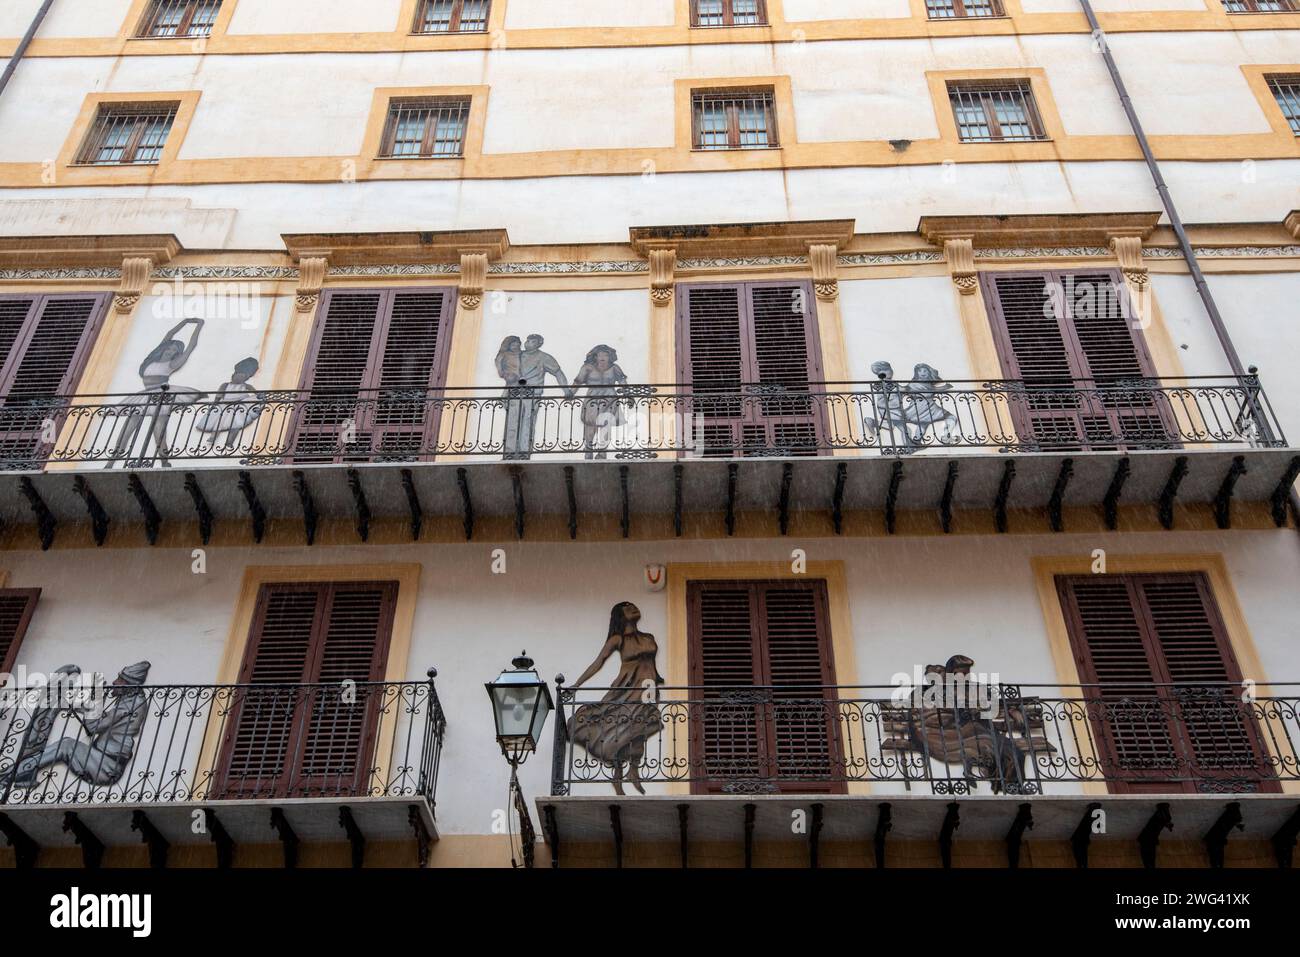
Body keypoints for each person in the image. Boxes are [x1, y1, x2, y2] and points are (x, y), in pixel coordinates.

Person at [567, 602, 664, 795]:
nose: (634, 608)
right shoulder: (617, 639)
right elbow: (598, 662)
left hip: (648, 688)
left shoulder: (648, 637)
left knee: (641, 729)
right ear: (620, 616)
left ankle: (633, 772)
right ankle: (618, 774)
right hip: (627, 689)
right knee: (624, 730)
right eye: (628, 608)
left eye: (635, 606)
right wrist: (577, 684)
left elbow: (651, 664)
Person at [11, 661, 152, 789]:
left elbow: (93, 727)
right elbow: (107, 720)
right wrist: (85, 707)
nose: (114, 682)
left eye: (120, 680)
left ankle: (16, 772)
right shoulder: (129, 701)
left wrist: (95, 700)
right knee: (66, 744)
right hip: (101, 760)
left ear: (129, 685)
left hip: (106, 766)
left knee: (66, 745)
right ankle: (18, 772)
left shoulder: (129, 705)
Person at [105, 317, 208, 468]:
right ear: (164, 348)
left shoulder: (172, 364)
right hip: (144, 395)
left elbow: (191, 346)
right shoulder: (151, 360)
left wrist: (199, 325)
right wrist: (184, 322)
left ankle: (164, 460)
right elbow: (168, 335)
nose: (171, 351)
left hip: (161, 393)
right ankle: (111, 462)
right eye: (169, 348)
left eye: (174, 350)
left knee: (159, 428)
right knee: (128, 427)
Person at [498, 333, 569, 459]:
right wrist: (505, 392)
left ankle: (524, 453)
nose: (528, 343)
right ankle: (509, 453)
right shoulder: (518, 355)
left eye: (532, 341)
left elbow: (558, 373)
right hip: (514, 392)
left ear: (538, 344)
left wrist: (566, 390)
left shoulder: (544, 357)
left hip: (532, 393)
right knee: (512, 423)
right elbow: (508, 373)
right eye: (528, 340)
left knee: (527, 423)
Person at [571, 344, 628, 459]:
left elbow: (623, 382)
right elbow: (578, 381)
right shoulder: (587, 367)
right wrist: (570, 394)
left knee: (606, 425)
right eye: (600, 355)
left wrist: (629, 396)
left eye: (605, 355)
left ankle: (602, 452)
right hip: (593, 398)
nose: (602, 357)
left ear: (610, 357)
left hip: (609, 399)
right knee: (590, 425)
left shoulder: (615, 368)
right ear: (595, 356)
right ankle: (588, 450)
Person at [194, 357, 262, 452]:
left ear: (247, 377)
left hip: (239, 407)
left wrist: (260, 397)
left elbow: (257, 394)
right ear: (233, 375)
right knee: (218, 423)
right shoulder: (225, 385)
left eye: (244, 376)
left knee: (237, 425)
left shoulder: (246, 386)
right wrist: (215, 403)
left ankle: (229, 442)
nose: (240, 378)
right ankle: (213, 437)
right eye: (239, 375)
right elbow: (219, 395)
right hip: (224, 406)